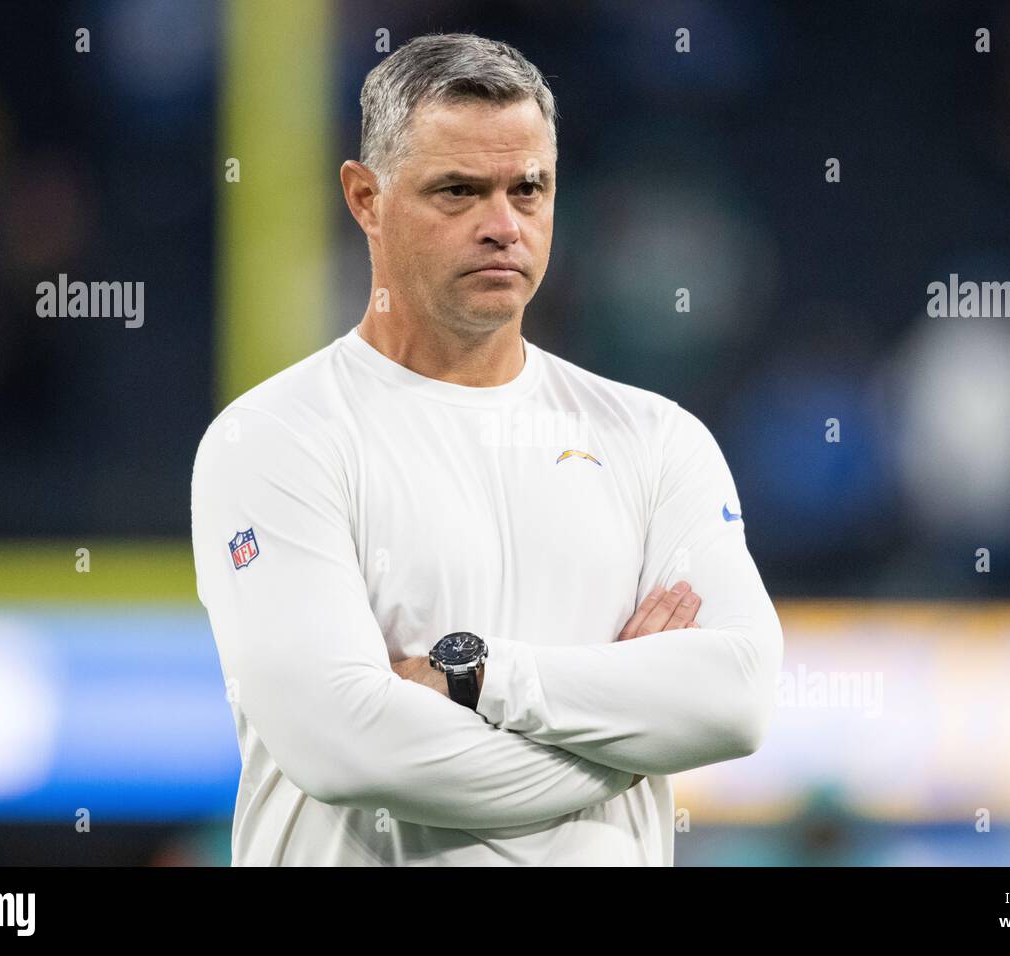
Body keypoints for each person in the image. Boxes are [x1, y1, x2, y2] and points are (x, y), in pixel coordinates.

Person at [191, 32, 783, 865]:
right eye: (458, 192)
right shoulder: (276, 438)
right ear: (365, 198)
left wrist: (479, 674)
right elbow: (349, 748)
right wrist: (624, 743)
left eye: (527, 189)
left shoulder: (656, 440)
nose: (503, 226)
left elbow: (737, 701)